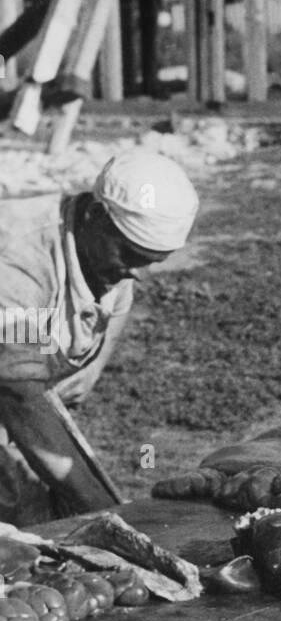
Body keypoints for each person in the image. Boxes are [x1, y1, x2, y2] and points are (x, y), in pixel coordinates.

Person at [0, 150, 199, 522]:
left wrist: (93, 366)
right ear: (95, 214)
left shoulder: (105, 253)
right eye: (131, 255)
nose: (136, 274)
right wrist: (106, 511)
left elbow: (119, 300)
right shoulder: (16, 260)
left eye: (149, 261)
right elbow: (19, 397)